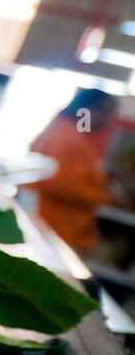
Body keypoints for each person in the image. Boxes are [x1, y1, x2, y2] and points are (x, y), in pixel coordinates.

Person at [29, 88, 118, 253]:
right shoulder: (66, 136)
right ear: (89, 110)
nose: (109, 120)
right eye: (108, 113)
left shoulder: (72, 134)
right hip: (53, 228)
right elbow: (60, 181)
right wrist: (103, 195)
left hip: (56, 229)